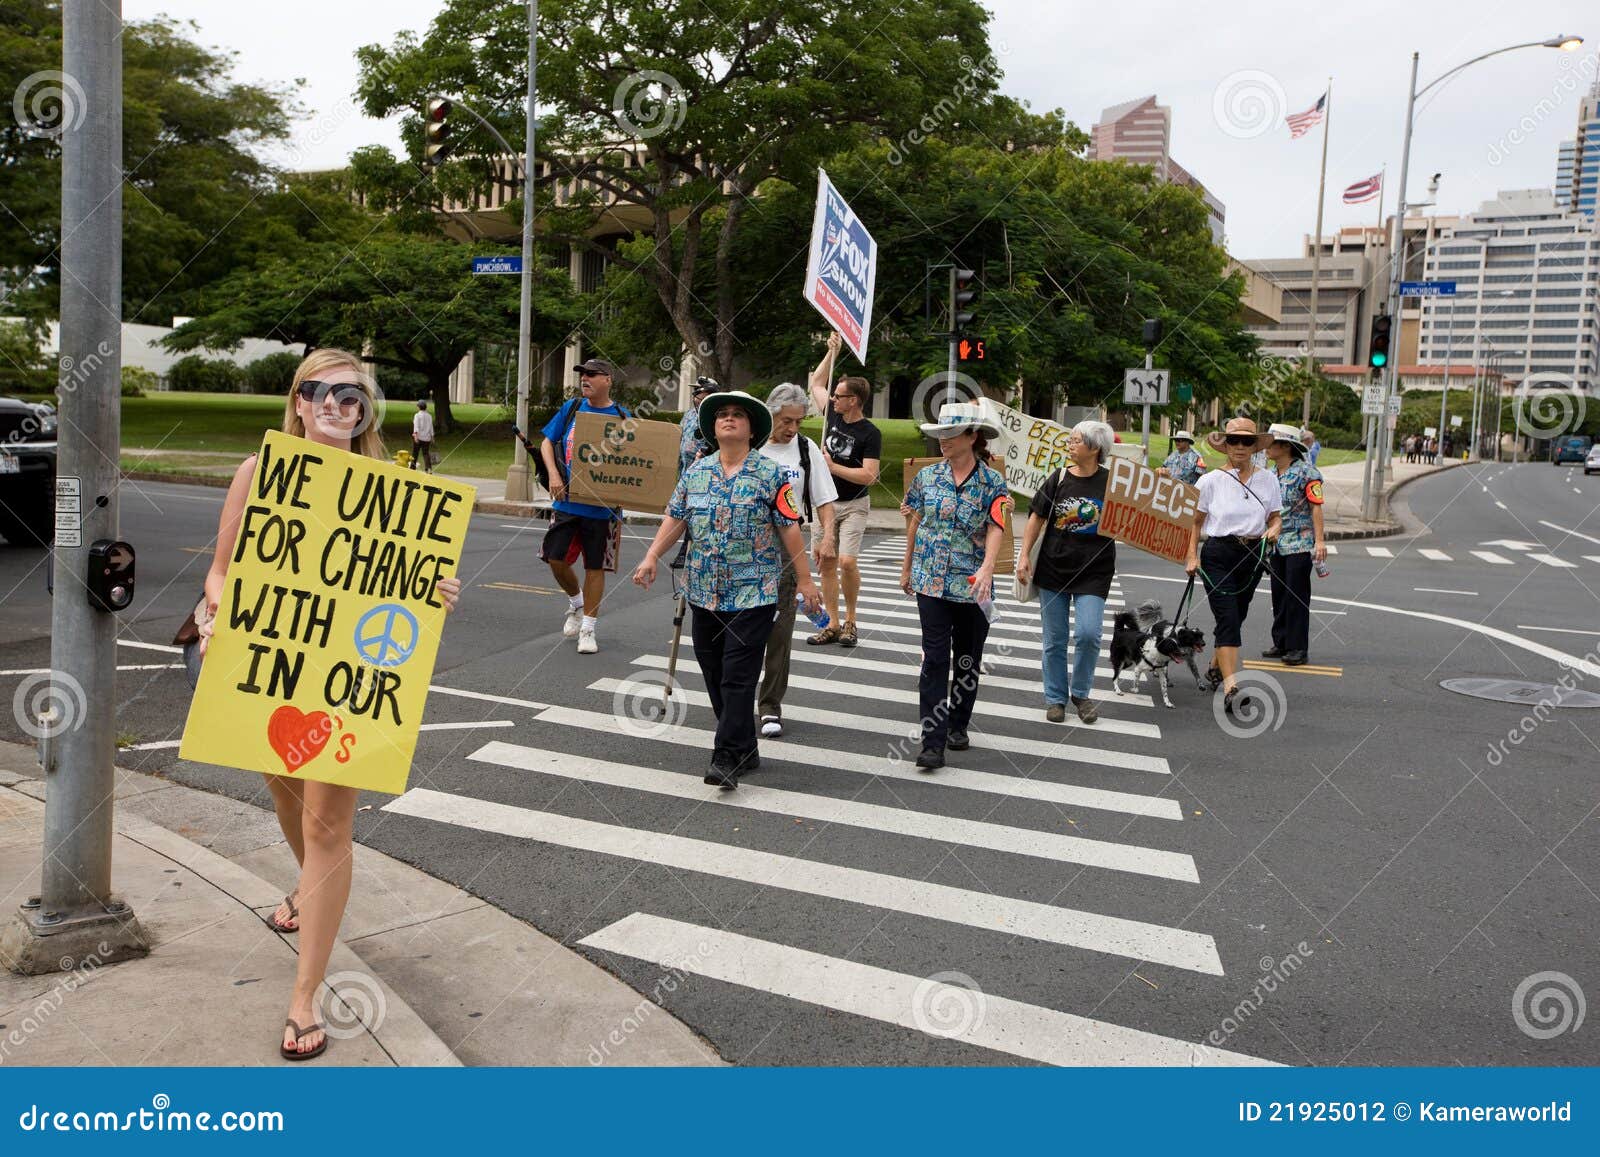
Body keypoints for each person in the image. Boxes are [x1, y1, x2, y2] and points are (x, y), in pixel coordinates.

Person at [196, 349, 463, 1060]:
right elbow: (219, 572)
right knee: (284, 794)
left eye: (351, 395)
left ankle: (304, 994)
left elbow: (410, 587)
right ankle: (309, 889)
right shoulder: (260, 473)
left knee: (326, 827)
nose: (335, 405)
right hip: (273, 669)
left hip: (348, 681)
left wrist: (436, 593)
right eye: (319, 391)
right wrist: (218, 607)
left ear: (367, 409)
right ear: (297, 399)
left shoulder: (394, 488)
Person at [633, 390, 822, 788]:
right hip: (703, 591)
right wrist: (651, 555)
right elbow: (676, 517)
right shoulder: (696, 472)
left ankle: (726, 757)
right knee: (714, 671)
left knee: (738, 675)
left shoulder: (771, 475)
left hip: (754, 591)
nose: (729, 419)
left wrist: (805, 580)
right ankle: (745, 744)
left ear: (752, 429)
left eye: (738, 414)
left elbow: (790, 527)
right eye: (722, 415)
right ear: (714, 428)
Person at [900, 402, 1010, 771]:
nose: (943, 441)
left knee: (967, 657)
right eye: (940, 435)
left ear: (972, 437)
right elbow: (914, 520)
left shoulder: (992, 481)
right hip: (930, 578)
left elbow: (997, 525)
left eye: (951, 435)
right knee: (933, 659)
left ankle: (958, 723)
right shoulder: (928, 478)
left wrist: (988, 569)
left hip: (972, 583)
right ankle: (932, 742)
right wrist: (906, 567)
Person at [1016, 419, 1116, 725]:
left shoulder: (1113, 483)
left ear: (1095, 447)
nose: (1069, 445)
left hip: (1094, 571)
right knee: (1055, 639)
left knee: (1088, 634)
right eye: (1069, 440)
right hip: (1054, 567)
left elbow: (1145, 515)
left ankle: (1081, 694)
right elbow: (1036, 517)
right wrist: (1023, 556)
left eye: (1075, 440)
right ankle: (1055, 698)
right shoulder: (1058, 478)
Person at [756, 383, 838, 738]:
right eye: (786, 420)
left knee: (780, 631)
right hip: (744, 551)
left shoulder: (806, 451)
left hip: (788, 551)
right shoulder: (750, 444)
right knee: (741, 630)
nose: (791, 429)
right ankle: (734, 693)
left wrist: (828, 535)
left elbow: (823, 501)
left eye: (798, 422)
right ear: (770, 413)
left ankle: (770, 704)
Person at [1186, 417, 1282, 717]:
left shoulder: (1268, 479)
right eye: (1234, 441)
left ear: (1255, 446)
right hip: (1218, 553)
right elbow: (1195, 522)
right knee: (1227, 615)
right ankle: (1231, 687)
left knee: (1237, 614)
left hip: (1253, 554)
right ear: (1226, 445)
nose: (1240, 447)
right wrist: (1192, 555)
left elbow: (1275, 516)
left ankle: (1216, 666)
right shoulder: (1210, 480)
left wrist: (1275, 528)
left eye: (1247, 441)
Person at [540, 358, 628, 655]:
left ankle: (588, 629)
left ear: (608, 380)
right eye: (582, 374)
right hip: (567, 501)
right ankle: (576, 603)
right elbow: (546, 443)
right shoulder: (572, 409)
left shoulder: (622, 416)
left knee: (595, 565)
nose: (585, 379)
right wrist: (553, 473)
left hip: (602, 508)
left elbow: (633, 463)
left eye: (592, 374)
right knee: (555, 559)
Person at [806, 331, 881, 648]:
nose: (833, 400)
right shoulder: (831, 417)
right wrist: (830, 351)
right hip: (825, 503)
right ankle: (833, 624)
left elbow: (869, 476)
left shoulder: (870, 432)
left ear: (855, 401)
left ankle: (851, 620)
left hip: (852, 505)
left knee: (847, 562)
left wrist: (831, 466)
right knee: (826, 563)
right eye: (834, 396)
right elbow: (816, 385)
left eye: (840, 396)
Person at [1264, 423, 1325, 667]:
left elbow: (1316, 506)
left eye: (1272, 443)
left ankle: (1298, 647)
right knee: (1279, 594)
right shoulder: (1270, 473)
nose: (1267, 447)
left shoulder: (1307, 473)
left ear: (1286, 446)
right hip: (1277, 543)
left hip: (1299, 542)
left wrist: (1320, 541)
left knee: (1296, 596)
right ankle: (1281, 641)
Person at [679, 376, 717, 474]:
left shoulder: (717, 418)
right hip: (684, 471)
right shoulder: (689, 415)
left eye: (699, 391)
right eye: (696, 392)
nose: (697, 398)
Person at [410, 400, 434, 472]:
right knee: (426, 453)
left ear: (418, 407)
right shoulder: (429, 416)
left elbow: (416, 426)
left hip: (419, 437)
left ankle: (412, 467)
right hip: (427, 438)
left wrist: (415, 436)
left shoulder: (417, 415)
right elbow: (431, 427)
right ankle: (428, 468)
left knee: (415, 453)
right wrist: (432, 437)